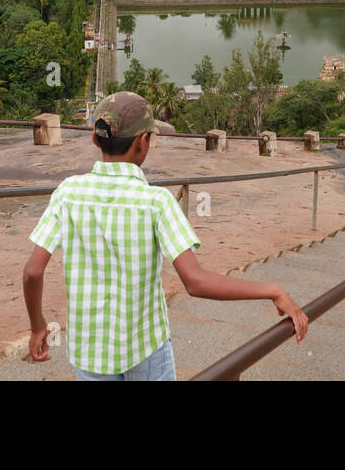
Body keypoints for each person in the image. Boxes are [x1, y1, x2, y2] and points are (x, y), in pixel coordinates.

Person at [22, 91, 309, 380]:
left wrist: (38, 326)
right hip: (145, 349)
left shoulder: (68, 193)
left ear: (96, 139)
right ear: (143, 142)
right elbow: (195, 283)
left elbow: (33, 272)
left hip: (91, 354)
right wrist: (272, 291)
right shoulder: (156, 202)